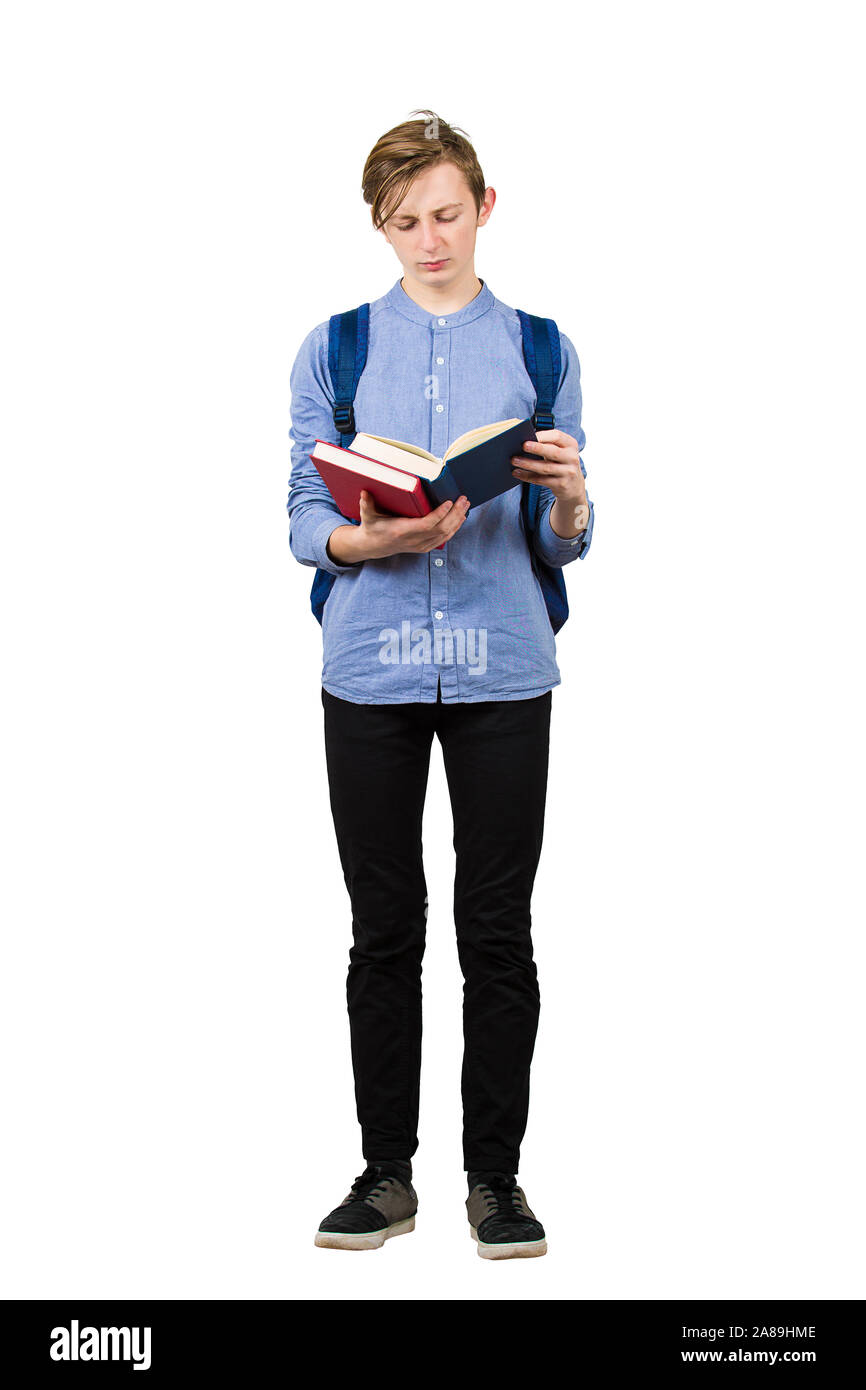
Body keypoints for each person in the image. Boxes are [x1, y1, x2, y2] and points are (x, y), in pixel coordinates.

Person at [286, 110, 594, 1260]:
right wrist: (360, 545)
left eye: (448, 213)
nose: (429, 239)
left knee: (496, 930)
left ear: (484, 208)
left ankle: (495, 1179)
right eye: (405, 221)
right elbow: (301, 515)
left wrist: (567, 495)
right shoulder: (335, 348)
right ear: (379, 225)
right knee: (382, 930)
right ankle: (382, 1174)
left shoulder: (543, 348)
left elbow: (562, 539)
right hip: (368, 671)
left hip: (504, 669)